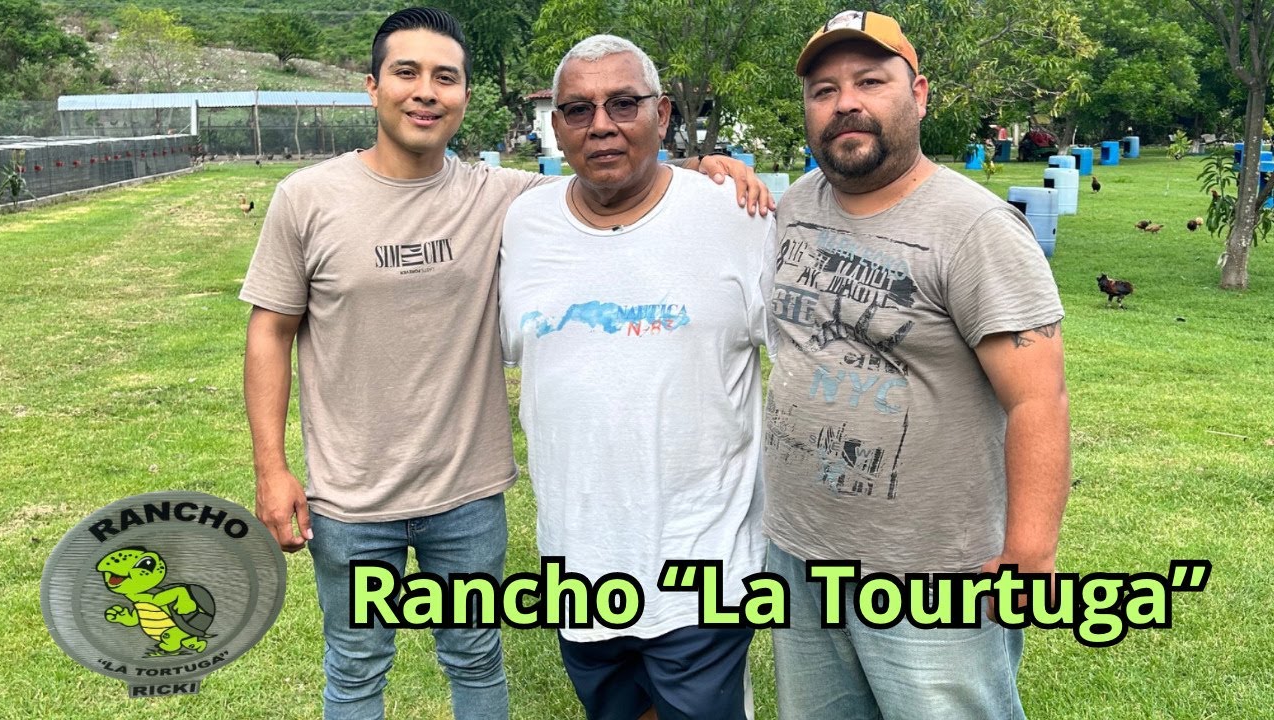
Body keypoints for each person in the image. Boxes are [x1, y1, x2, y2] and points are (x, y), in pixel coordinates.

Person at [239, 8, 769, 720]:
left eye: (445, 77)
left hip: (469, 492)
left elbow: (617, 178)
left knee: (475, 658)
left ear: (462, 95)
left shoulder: (508, 198)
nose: (426, 92)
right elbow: (270, 330)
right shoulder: (306, 199)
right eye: (407, 73)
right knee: (356, 666)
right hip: (350, 495)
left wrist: (705, 170)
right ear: (372, 86)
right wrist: (272, 469)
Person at [763, 10, 1071, 719]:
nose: (846, 102)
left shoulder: (975, 228)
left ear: (919, 93)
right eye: (823, 89)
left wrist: (1030, 549)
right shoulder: (794, 206)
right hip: (798, 554)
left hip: (933, 572)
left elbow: (1038, 399)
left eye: (870, 81)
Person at [499, 35, 776, 720]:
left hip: (702, 564)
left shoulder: (735, 216)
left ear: (663, 112)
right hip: (578, 559)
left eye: (625, 103)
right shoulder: (523, 222)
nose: (602, 124)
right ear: (556, 126)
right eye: (578, 108)